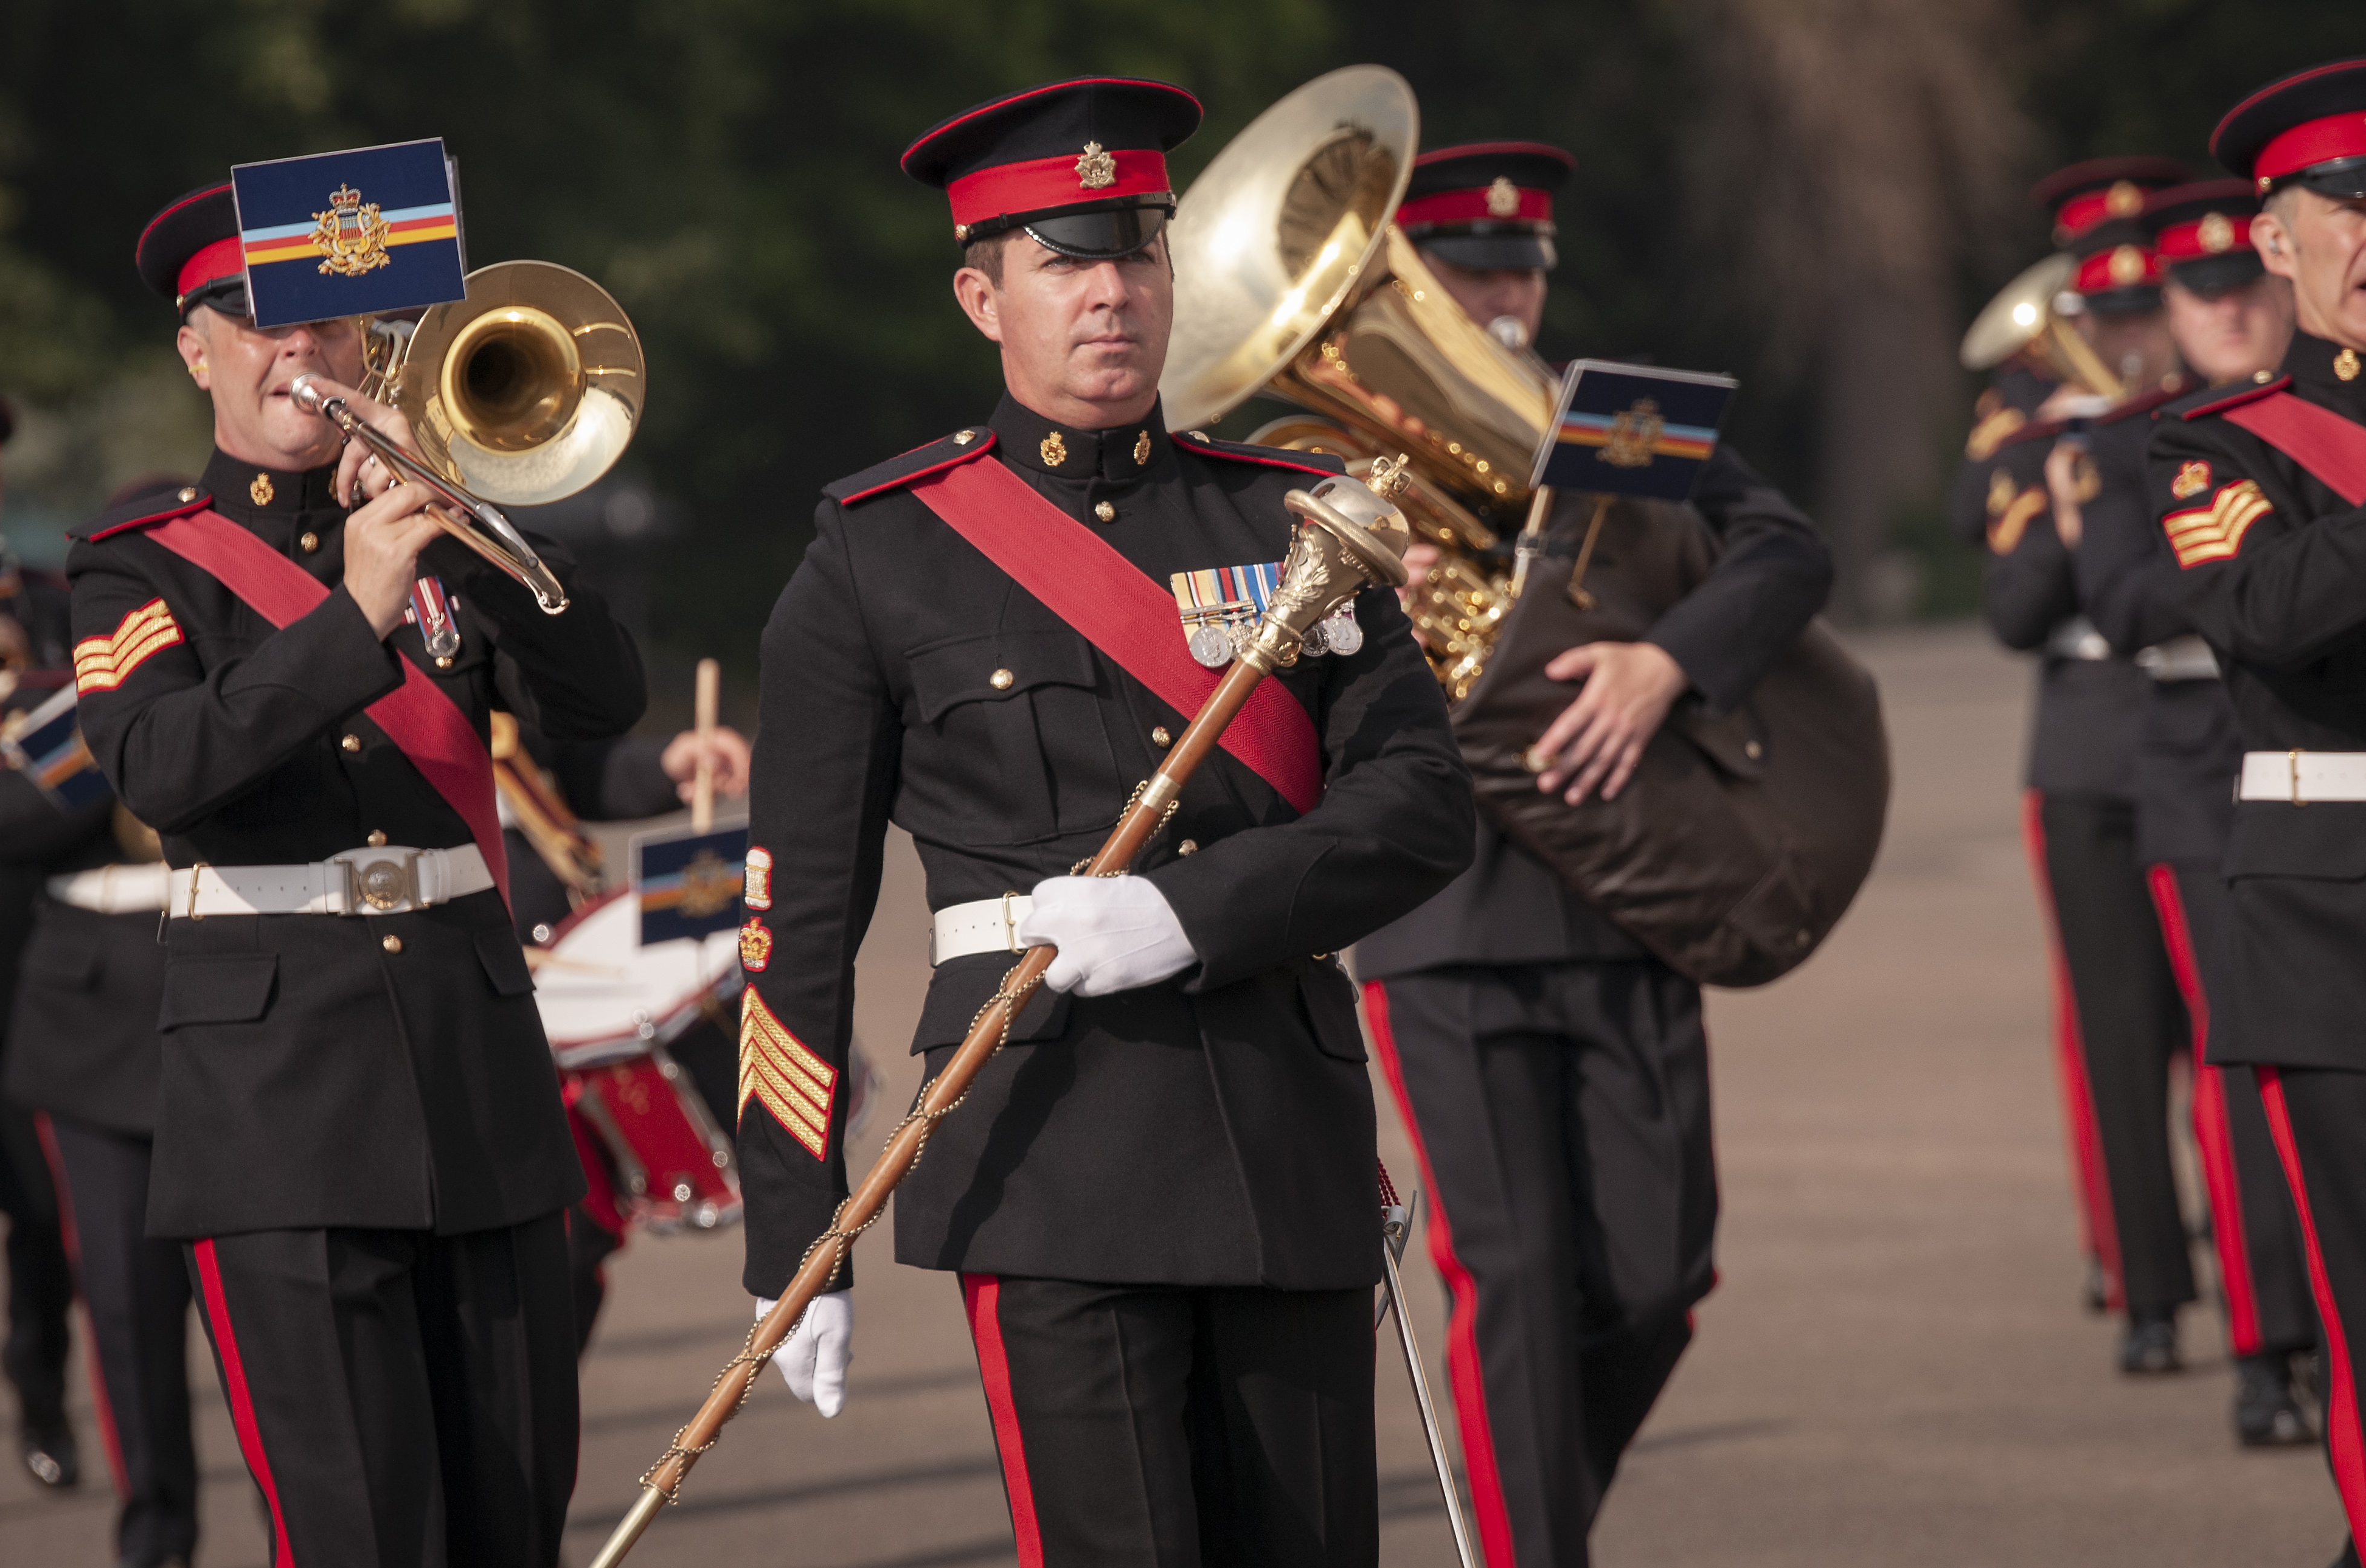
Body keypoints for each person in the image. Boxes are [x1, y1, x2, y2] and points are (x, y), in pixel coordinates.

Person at [737, 77, 1473, 1565]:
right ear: (980, 298)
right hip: (1045, 1154)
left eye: (1137, 253)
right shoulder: (881, 555)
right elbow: (799, 917)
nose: (1111, 294)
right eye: (1065, 263)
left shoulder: (1297, 520)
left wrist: (1189, 914)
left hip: (1278, 1134)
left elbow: (1420, 804)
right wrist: (792, 1225)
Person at [65, 179, 647, 1564]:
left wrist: (472, 520)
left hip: (476, 1077)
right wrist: (354, 612)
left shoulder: (442, 529)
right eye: (261, 325)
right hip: (279, 1113)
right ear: (196, 349)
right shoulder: (138, 569)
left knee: (513, 1521)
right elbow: (160, 769)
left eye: (331, 325)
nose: (301, 354)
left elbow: (602, 700)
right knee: (359, 1535)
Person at [1353, 141, 1832, 1568]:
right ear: (1409, 282)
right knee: (1509, 1275)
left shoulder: (1612, 415)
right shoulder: (1339, 444)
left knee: (1658, 1277)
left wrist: (1667, 661)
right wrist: (1364, 597)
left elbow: (1784, 548)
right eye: (1469, 274)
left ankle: (1534, 1512)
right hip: (1448, 912)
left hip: (1633, 892)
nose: (1503, 299)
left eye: (1521, 273)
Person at [2148, 58, 2366, 1568]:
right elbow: (2270, 610)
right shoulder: (2221, 442)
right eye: (2353, 205)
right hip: (2346, 932)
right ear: (2276, 241)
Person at [2054, 178, 2320, 1445]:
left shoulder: (2333, 414)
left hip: (2343, 756)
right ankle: (2270, 1342)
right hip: (2201, 773)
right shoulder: (2122, 446)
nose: (2227, 311)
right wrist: (2287, 573)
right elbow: (2119, 604)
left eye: (2244, 287)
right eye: (2199, 294)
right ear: (2168, 306)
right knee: (2241, 1064)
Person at [1954, 162, 2202, 1371]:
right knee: (2116, 1034)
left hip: (2201, 732)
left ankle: (2273, 1304)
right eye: (2107, 316)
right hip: (2089, 747)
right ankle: (2147, 1287)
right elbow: (2009, 607)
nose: (2128, 335)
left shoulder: (2211, 415)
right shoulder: (2038, 431)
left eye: (2146, 309)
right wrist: (2068, 504)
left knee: (2228, 1038)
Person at [0, 475, 196, 1564]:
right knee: (124, 1307)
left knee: (281, 1320)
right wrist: (115, 729)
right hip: (97, 1012)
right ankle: (155, 1540)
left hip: (240, 990)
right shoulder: (75, 675)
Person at [494, 719, 751, 1349]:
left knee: (574, 1243)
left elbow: (562, 760)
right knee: (528, 1255)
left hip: (558, 1003)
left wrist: (667, 765)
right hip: (465, 1002)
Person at [0, 384, 82, 1515]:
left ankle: (41, 1389)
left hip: (22, 947)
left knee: (39, 1200)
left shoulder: (49, 603)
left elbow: (90, 764)